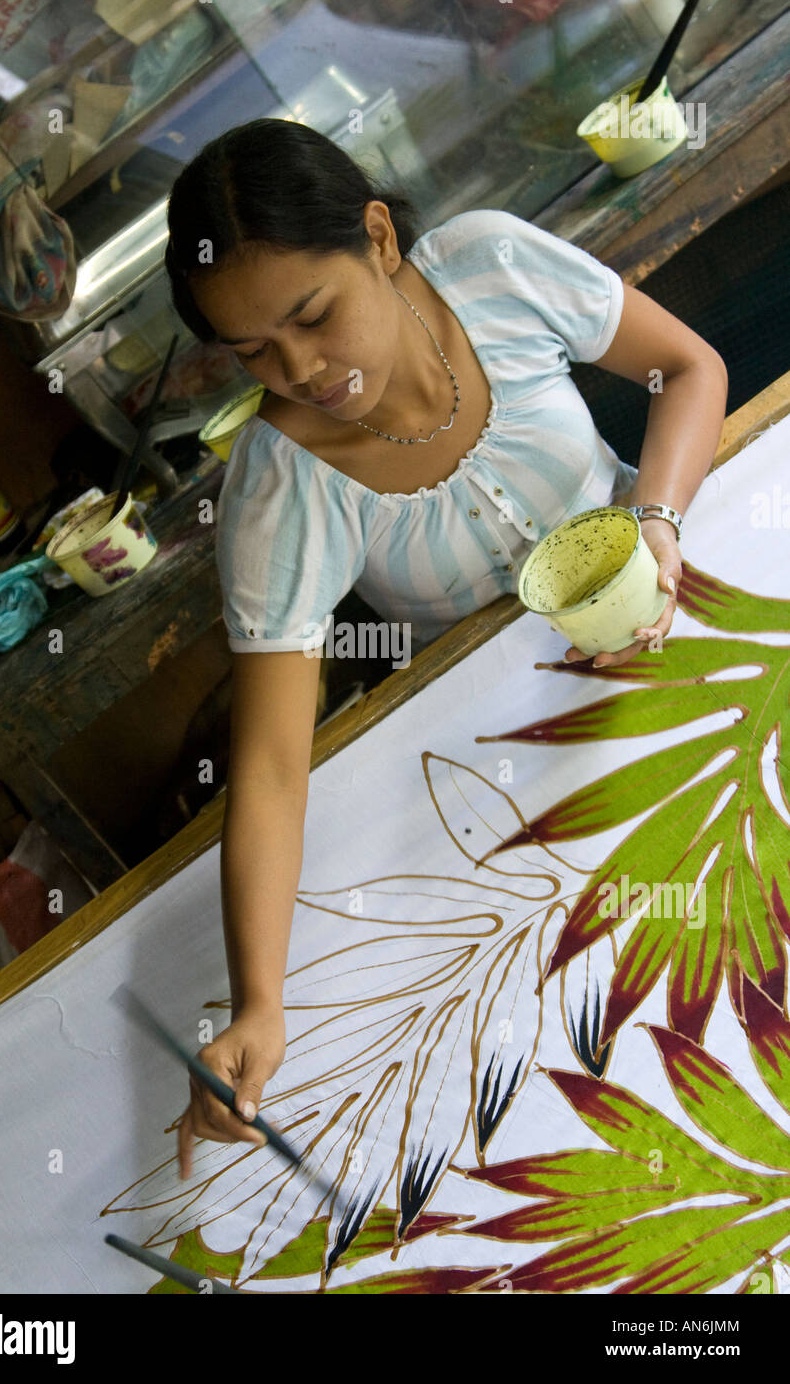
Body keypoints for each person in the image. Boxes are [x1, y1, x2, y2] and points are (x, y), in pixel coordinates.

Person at [164, 118, 728, 1178]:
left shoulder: (488, 264)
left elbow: (685, 370)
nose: (300, 370)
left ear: (378, 237)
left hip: (673, 617)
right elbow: (273, 771)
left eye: (312, 315)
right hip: (521, 766)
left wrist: (656, 522)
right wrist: (259, 1004)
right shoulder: (280, 489)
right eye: (252, 352)